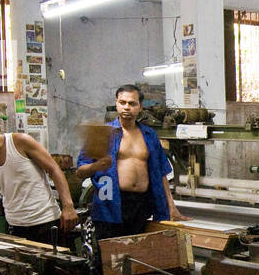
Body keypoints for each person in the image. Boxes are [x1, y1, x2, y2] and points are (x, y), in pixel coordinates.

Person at [75, 85, 186, 240]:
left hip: (142, 206)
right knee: (111, 258)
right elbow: (80, 172)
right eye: (123, 102)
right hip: (111, 205)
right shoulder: (104, 134)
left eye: (132, 103)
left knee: (139, 256)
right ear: (116, 103)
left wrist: (171, 207)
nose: (126, 107)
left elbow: (161, 173)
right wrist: (96, 166)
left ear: (140, 107)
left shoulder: (149, 135)